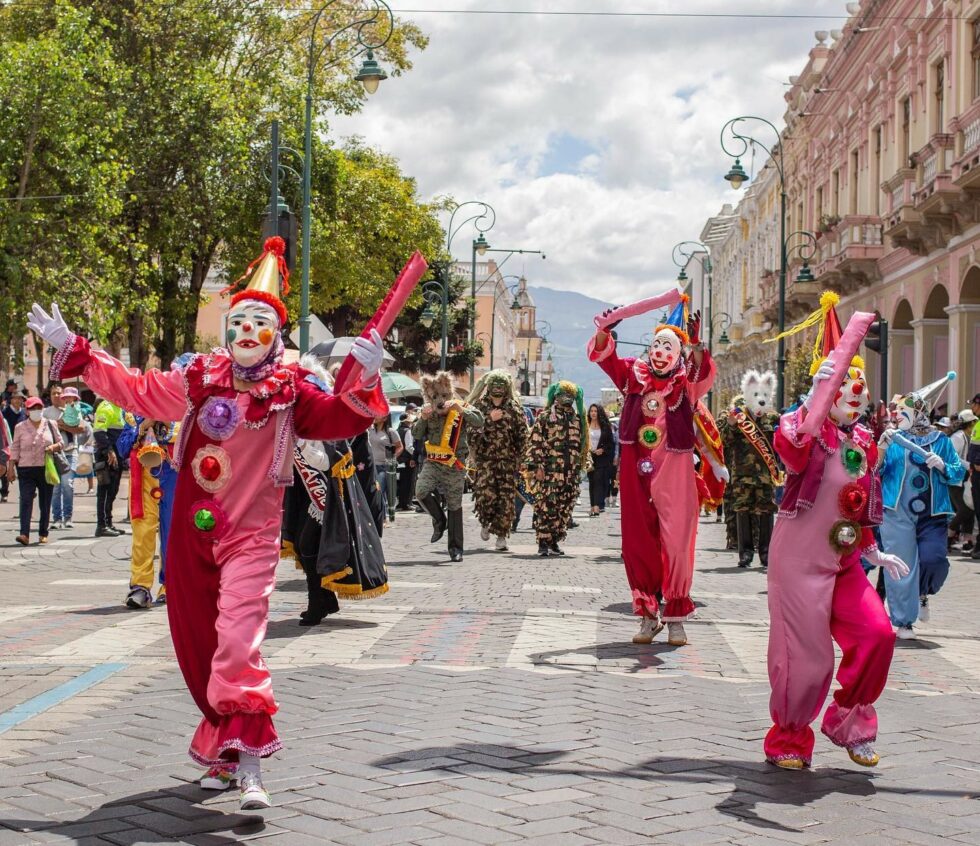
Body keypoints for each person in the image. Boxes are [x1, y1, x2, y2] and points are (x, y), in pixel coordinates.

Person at [27, 235, 387, 810]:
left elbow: (336, 417)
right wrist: (78, 351)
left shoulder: (291, 392)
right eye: (238, 320)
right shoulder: (197, 381)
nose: (246, 331)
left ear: (278, 335)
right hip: (191, 538)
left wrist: (363, 379)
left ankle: (249, 766)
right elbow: (137, 390)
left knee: (238, 643)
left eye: (260, 323)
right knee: (198, 648)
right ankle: (221, 748)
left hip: (251, 538)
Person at [765, 292, 907, 770]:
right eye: (844, 382)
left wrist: (874, 553)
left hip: (844, 561)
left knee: (877, 635)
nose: (855, 392)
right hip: (798, 563)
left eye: (859, 385)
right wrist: (812, 405)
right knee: (807, 661)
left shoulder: (863, 441)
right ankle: (788, 737)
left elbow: (857, 506)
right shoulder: (804, 428)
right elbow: (791, 450)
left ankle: (847, 720)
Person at [587, 294, 714, 647]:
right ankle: (647, 615)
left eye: (668, 346)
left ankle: (674, 617)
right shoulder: (633, 375)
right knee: (638, 543)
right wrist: (604, 331)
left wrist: (698, 348)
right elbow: (605, 356)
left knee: (676, 543)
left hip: (674, 469)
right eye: (656, 343)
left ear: (678, 354)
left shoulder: (686, 383)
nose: (660, 350)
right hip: (635, 470)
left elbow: (703, 372)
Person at [879, 372, 965, 638]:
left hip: (933, 513)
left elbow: (958, 472)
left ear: (918, 413)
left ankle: (923, 591)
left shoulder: (940, 441)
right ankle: (903, 621)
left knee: (935, 560)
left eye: (903, 412)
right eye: (898, 413)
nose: (898, 417)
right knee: (901, 566)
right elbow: (874, 471)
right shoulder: (893, 440)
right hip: (897, 512)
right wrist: (879, 451)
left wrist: (943, 466)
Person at [412, 371, 484, 562]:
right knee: (420, 491)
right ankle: (438, 520)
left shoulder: (460, 408)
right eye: (435, 397)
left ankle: (455, 548)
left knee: (454, 504)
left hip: (454, 464)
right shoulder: (428, 411)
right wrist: (423, 418)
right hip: (433, 462)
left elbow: (480, 421)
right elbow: (417, 434)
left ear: (450, 394)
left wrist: (462, 410)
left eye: (444, 396)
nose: (440, 401)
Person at [718, 370, 781, 569]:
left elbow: (782, 444)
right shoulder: (738, 417)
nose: (760, 399)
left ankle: (766, 553)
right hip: (742, 475)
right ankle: (745, 554)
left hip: (765, 476)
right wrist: (729, 425)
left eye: (764, 395)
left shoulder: (773, 419)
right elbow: (723, 442)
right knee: (742, 512)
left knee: (766, 512)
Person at [117, 416, 180, 608]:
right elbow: (122, 447)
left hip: (173, 473)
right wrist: (142, 428)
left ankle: (171, 584)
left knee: (172, 531)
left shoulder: (177, 407)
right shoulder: (132, 414)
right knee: (142, 532)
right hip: (144, 478)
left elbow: (191, 435)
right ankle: (140, 586)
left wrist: (167, 425)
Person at [467, 369, 529, 551]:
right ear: (489, 386)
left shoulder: (514, 408)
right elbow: (471, 434)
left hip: (508, 463)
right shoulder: (479, 407)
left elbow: (522, 436)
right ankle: (485, 521)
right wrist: (489, 420)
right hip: (485, 462)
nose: (498, 389)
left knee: (506, 500)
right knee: (486, 496)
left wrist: (523, 459)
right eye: (495, 385)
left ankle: (501, 536)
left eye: (502, 386)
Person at [526, 381, 588, 558]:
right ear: (556, 396)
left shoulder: (577, 419)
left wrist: (581, 465)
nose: (567, 398)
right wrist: (537, 466)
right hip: (550, 470)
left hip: (571, 472)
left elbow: (582, 445)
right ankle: (543, 542)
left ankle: (554, 540)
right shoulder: (546, 417)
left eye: (570, 395)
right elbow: (536, 442)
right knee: (547, 506)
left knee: (564, 507)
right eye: (563, 395)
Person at [8, 396, 62, 545]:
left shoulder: (50, 424)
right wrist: (11, 467)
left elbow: (61, 442)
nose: (36, 411)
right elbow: (15, 447)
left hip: (46, 468)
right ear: (27, 411)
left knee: (45, 502)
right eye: (32, 408)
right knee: (25, 500)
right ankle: (24, 534)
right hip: (25, 469)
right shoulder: (20, 427)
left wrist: (53, 447)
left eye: (38, 408)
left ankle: (43, 532)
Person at [48, 385, 84, 529]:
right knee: (56, 487)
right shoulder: (46, 413)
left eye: (59, 393)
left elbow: (81, 428)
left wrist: (64, 427)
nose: (57, 396)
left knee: (67, 485)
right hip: (54, 453)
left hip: (70, 452)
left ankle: (68, 517)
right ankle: (57, 519)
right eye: (53, 393)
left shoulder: (75, 409)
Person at [93, 397, 127, 537]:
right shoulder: (105, 407)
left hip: (117, 457)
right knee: (104, 491)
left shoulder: (120, 408)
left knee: (113, 490)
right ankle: (101, 525)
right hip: (107, 456)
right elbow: (99, 432)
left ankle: (109, 523)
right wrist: (109, 451)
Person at [949, 409, 976, 554]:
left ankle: (968, 541)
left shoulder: (966, 436)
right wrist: (969, 465)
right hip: (954, 479)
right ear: (969, 423)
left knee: (970, 510)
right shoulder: (958, 437)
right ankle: (947, 537)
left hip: (963, 479)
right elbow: (951, 457)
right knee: (964, 510)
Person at [368, 414, 402, 522]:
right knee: (374, 491)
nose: (375, 416)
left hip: (384, 466)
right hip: (372, 466)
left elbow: (400, 447)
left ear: (385, 418)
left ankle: (383, 518)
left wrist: (392, 458)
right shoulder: (370, 431)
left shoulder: (391, 432)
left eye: (378, 414)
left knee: (380, 490)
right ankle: (378, 516)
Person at [586, 403, 615, 517]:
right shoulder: (586, 425)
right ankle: (593, 506)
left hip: (602, 459)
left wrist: (602, 449)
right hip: (589, 458)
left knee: (599, 481)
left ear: (599, 413)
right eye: (591, 411)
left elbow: (610, 444)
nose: (593, 413)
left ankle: (597, 506)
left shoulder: (605, 426)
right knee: (592, 482)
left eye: (595, 411)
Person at [1, 391, 25, 503]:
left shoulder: (24, 413)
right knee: (4, 470)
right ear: (11, 400)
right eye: (15, 398)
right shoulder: (4, 413)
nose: (17, 401)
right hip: (7, 445)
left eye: (19, 398)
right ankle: (4, 492)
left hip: (22, 447)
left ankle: (24, 494)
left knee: (22, 471)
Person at [395, 404, 420, 511]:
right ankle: (407, 503)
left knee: (401, 483)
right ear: (407, 422)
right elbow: (409, 446)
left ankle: (401, 503)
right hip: (408, 460)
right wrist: (416, 455)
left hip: (400, 460)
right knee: (409, 482)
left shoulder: (397, 430)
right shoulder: (408, 431)